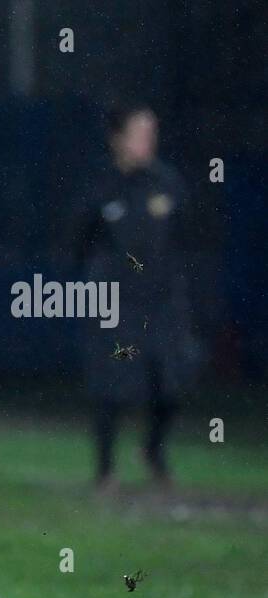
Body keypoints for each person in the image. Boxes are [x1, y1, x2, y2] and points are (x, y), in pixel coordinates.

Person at [70, 103, 199, 492]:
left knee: (174, 382)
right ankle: (105, 469)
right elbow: (78, 243)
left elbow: (187, 238)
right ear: (118, 138)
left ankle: (153, 450)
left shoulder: (168, 184)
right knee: (113, 383)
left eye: (152, 132)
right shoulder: (100, 187)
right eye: (140, 132)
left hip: (162, 302)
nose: (148, 140)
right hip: (116, 304)